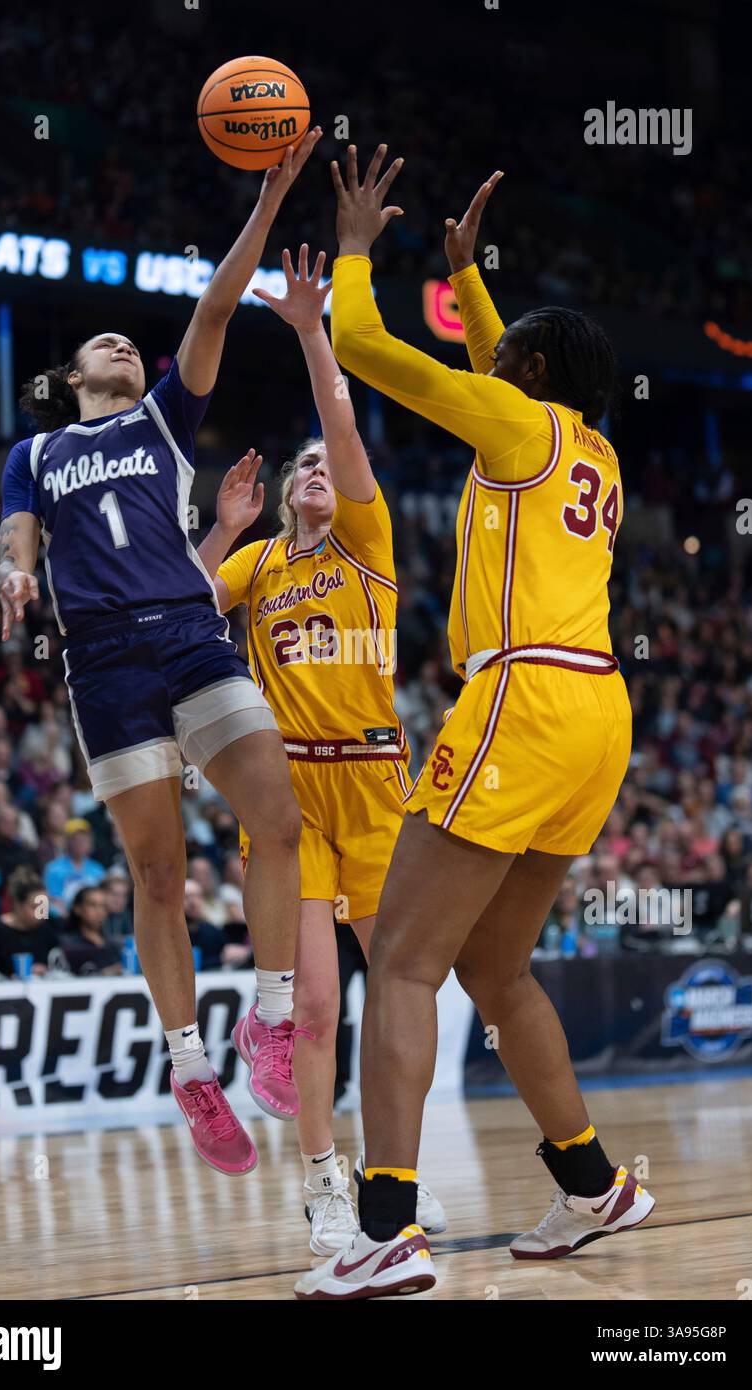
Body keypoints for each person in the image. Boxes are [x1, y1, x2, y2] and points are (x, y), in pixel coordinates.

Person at [296, 149, 653, 1299]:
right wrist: (461, 272)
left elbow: (365, 347)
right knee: (497, 969)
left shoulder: (513, 425)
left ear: (529, 371)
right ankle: (593, 1183)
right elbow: (501, 365)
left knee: (399, 964)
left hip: (522, 700)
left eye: (498, 352)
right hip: (596, 713)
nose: (481, 354)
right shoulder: (584, 446)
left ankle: (385, 1231)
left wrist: (356, 252)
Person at [0, 130, 322, 1178]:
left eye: (129, 345)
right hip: (103, 663)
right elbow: (18, 537)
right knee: (158, 874)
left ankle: (267, 1017)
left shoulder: (164, 420)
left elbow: (216, 305)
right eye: (102, 345)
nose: (121, 348)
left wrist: (266, 205)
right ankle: (190, 1071)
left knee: (277, 822)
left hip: (191, 637)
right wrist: (10, 573)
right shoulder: (34, 452)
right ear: (71, 374)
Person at [200, 245, 444, 1254]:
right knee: (312, 1007)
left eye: (320, 468)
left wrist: (311, 330)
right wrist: (220, 528)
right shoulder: (256, 564)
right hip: (291, 800)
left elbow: (340, 427)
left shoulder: (368, 541)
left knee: (399, 994)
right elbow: (174, 608)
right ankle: (323, 1189)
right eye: (297, 464)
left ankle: (392, 1181)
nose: (311, 472)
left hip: (376, 793)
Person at [43, 818, 106, 917]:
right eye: (76, 840)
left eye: (84, 839)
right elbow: (53, 900)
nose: (80, 844)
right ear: (67, 842)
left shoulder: (97, 869)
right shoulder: (53, 869)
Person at [62, 886, 122, 974]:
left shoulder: (113, 945)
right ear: (77, 908)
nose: (100, 911)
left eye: (103, 906)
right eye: (93, 905)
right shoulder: (67, 944)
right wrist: (103, 973)